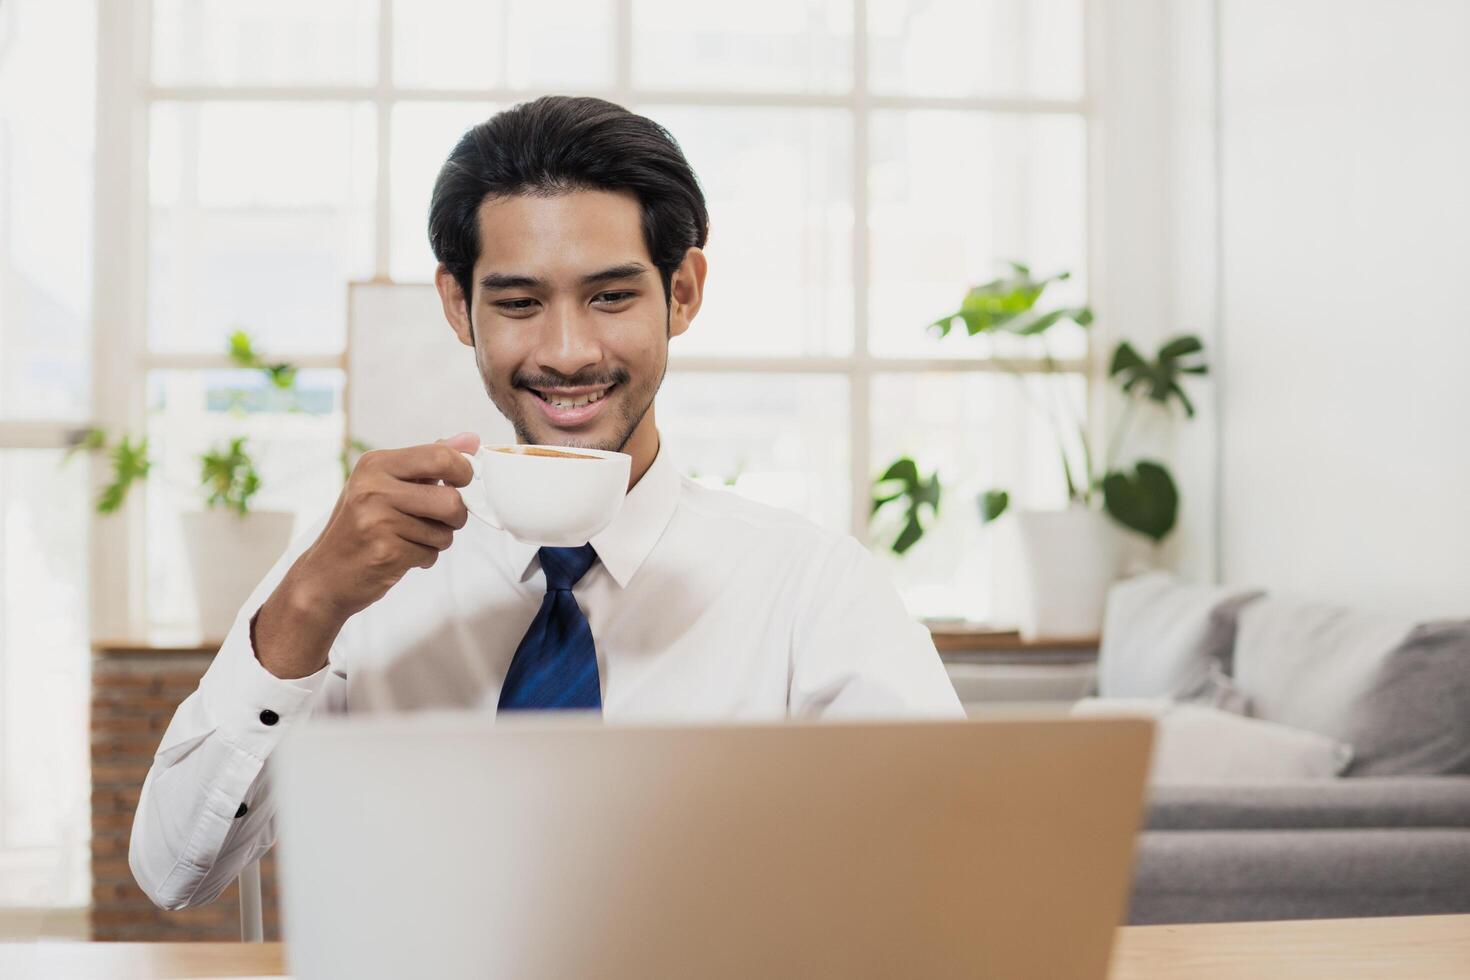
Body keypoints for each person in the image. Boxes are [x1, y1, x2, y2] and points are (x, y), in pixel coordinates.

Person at [130, 96, 962, 910]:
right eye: (519, 303)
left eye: (611, 296)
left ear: (682, 291)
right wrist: (308, 606)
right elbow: (173, 875)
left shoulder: (810, 589)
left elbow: (953, 870)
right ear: (458, 306)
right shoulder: (351, 573)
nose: (567, 352)